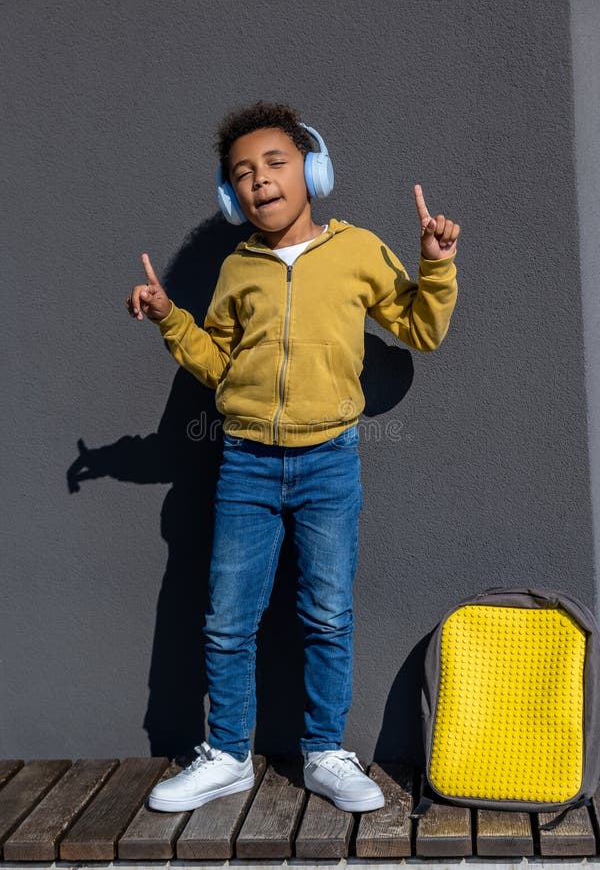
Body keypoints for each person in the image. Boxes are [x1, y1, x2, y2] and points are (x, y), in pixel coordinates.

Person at [125, 101, 459, 813]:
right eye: (242, 173)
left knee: (328, 615)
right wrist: (170, 320)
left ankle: (324, 752)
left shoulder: (359, 250)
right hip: (244, 463)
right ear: (231, 195)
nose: (259, 180)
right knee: (226, 621)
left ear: (314, 171)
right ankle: (227, 755)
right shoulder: (237, 269)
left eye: (275, 162)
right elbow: (219, 364)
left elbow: (421, 329)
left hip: (329, 463)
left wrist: (435, 266)